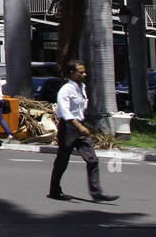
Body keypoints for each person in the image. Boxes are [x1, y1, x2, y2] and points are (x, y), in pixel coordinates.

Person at [49, 61, 118, 202]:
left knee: (92, 159)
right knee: (62, 160)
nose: (84, 74)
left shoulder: (82, 87)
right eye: (80, 72)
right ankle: (54, 190)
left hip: (80, 126)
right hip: (68, 127)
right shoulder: (66, 89)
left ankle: (96, 192)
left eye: (84, 71)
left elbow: (81, 109)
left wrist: (84, 124)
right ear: (71, 73)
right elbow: (64, 111)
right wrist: (78, 126)